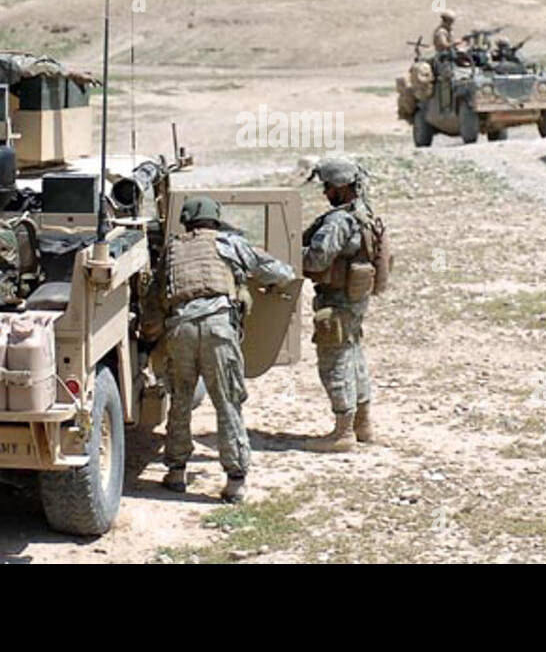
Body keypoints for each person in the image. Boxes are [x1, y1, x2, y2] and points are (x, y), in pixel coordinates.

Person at [156, 196, 295, 503]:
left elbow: (157, 297)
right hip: (219, 328)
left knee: (180, 400)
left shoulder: (174, 249)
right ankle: (235, 481)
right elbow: (279, 272)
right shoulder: (228, 243)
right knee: (227, 402)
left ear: (187, 220)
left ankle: (176, 472)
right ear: (215, 219)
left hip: (180, 329)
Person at [302, 158, 384, 452]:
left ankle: (343, 433)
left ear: (341, 187)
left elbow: (316, 259)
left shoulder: (339, 220)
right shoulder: (364, 213)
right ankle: (363, 424)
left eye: (327, 187)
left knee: (333, 360)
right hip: (355, 298)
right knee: (354, 354)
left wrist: (290, 253)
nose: (325, 193)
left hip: (337, 301)